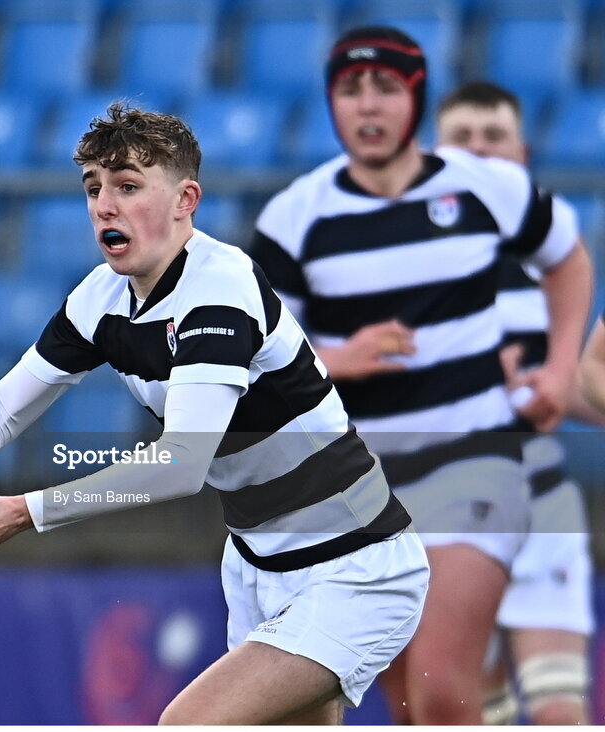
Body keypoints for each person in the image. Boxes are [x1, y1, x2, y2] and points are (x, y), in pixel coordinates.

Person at [0, 102, 430, 725]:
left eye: (127, 186)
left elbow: (179, 465)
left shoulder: (220, 292)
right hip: (258, 566)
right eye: (94, 188)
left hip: (354, 567)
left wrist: (26, 511)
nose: (104, 205)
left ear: (186, 200)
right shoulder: (99, 300)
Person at [247, 27, 592, 725]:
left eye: (386, 89)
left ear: (416, 100)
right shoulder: (296, 217)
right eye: (350, 90)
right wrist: (338, 360)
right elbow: (254, 354)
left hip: (474, 464)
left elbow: (569, 259)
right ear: (331, 103)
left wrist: (560, 368)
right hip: (359, 489)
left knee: (442, 690)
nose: (367, 106)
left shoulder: (485, 187)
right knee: (408, 702)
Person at [436, 80, 595, 726]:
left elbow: (575, 384)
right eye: (463, 137)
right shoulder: (390, 256)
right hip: (438, 512)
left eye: (493, 136)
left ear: (522, 151)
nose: (479, 150)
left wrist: (556, 385)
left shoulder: (553, 258)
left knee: (560, 712)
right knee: (469, 714)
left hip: (537, 502)